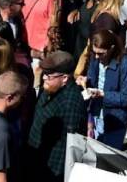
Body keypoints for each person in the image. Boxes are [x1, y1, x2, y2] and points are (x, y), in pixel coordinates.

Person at [28, 51, 87, 180]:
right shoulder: (51, 86)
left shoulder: (71, 103)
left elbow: (69, 146)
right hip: (36, 159)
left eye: (49, 75)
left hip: (50, 170)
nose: (44, 78)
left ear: (64, 78)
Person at [80, 29, 127, 148]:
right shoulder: (95, 58)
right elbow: (92, 79)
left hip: (115, 119)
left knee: (108, 155)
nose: (96, 56)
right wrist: (85, 80)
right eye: (94, 52)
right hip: (95, 115)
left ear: (111, 48)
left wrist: (103, 94)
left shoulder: (125, 64)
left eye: (100, 53)